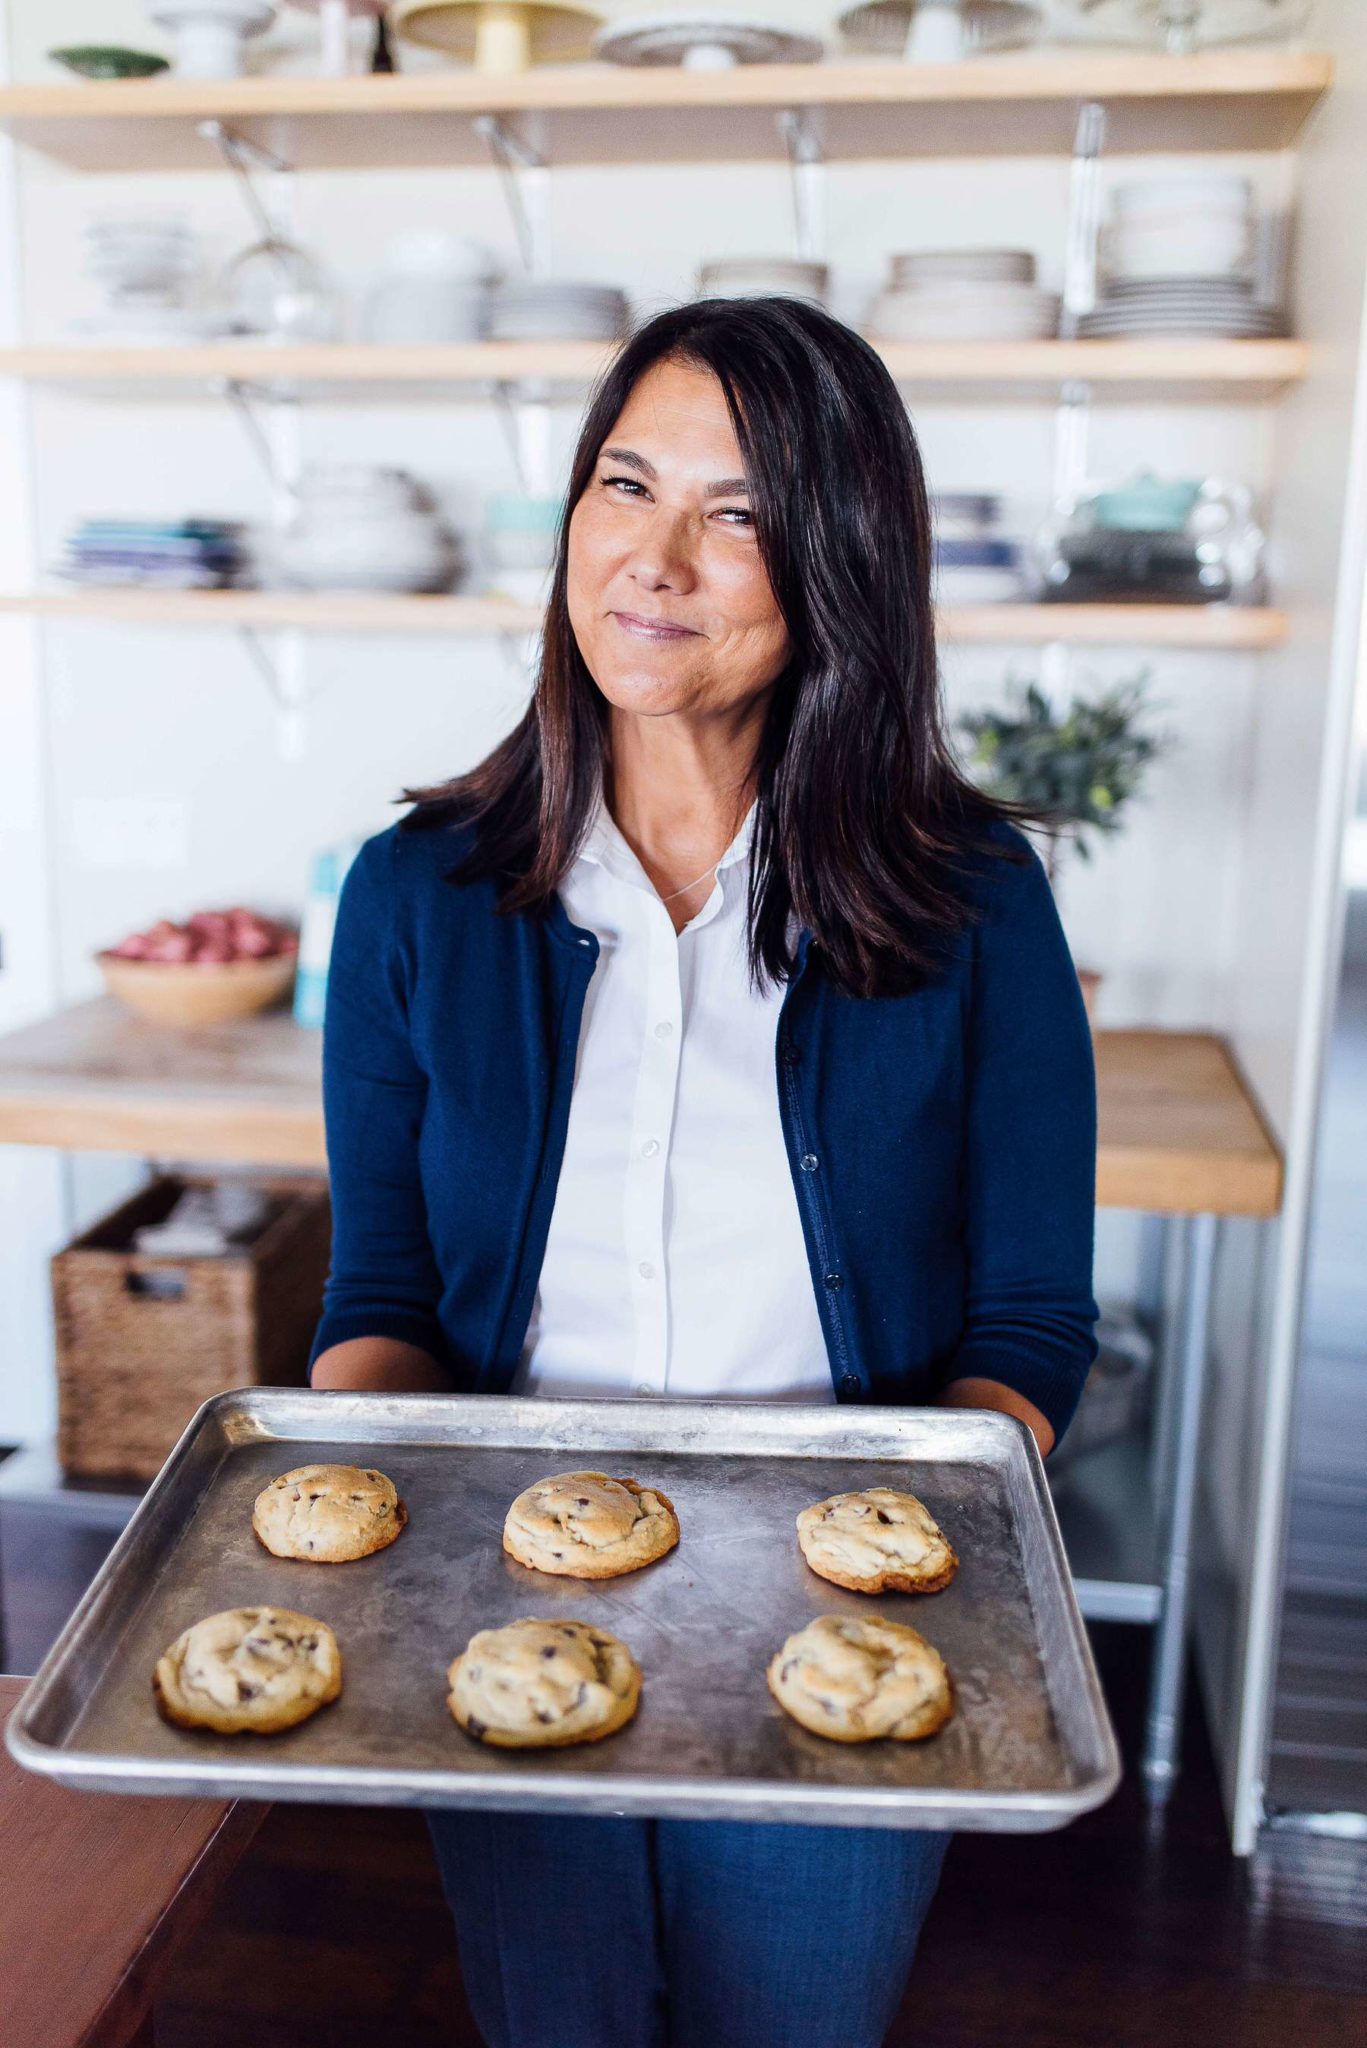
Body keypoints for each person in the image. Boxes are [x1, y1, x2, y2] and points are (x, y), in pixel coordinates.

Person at [308, 295, 1100, 2048]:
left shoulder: (975, 906)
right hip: (499, 1598)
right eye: (625, 485)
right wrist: (353, 1558)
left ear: (840, 565)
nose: (653, 561)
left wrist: (900, 1567)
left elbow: (1034, 1324)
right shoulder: (416, 896)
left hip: (847, 1629)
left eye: (735, 513)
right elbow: (381, 1296)